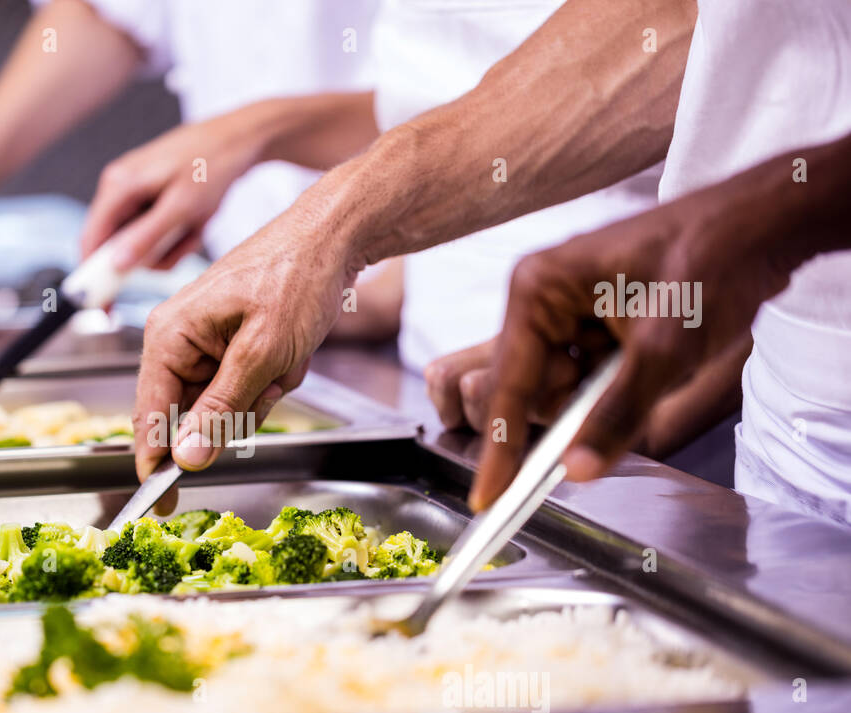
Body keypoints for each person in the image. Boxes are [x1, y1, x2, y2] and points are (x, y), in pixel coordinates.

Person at [131, 0, 851, 527]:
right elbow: (692, 22)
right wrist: (331, 234)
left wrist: (759, 238)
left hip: (716, 420)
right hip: (784, 448)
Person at [0, 0, 378, 356]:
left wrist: (250, 133)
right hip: (256, 310)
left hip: (421, 307)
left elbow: (450, 96)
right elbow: (111, 13)